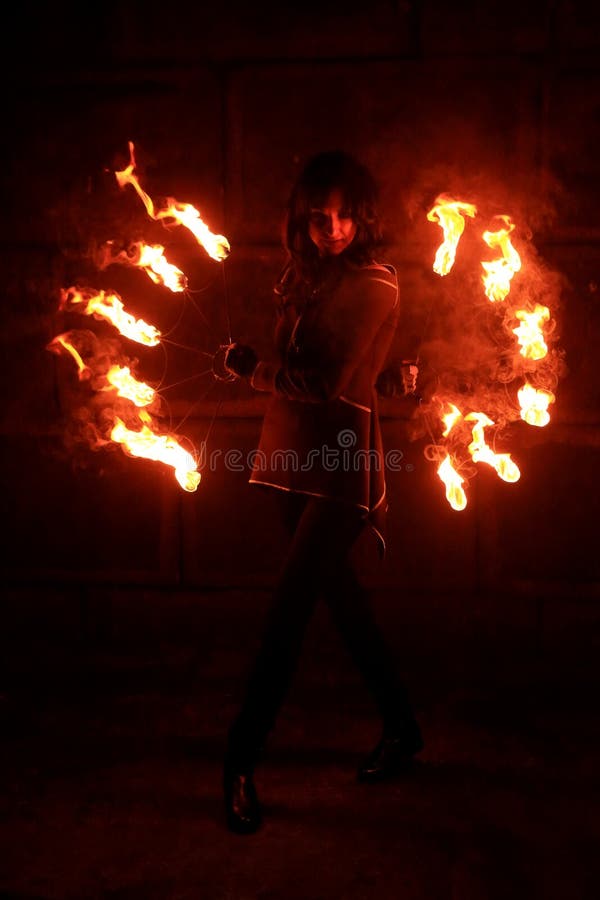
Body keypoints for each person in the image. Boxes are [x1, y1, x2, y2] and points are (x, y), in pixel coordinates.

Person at [221, 150, 423, 834]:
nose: (330, 229)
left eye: (341, 217)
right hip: (290, 459)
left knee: (285, 617)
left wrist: (253, 371)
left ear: (361, 218)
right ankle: (403, 726)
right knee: (343, 605)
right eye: (317, 217)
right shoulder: (304, 276)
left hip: (340, 468)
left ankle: (238, 764)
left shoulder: (375, 283)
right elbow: (325, 363)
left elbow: (325, 381)